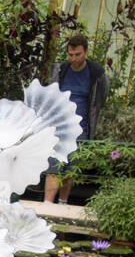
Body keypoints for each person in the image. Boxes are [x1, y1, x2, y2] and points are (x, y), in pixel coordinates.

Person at [44, 33, 110, 203]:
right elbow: (51, 95)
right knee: (53, 167)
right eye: (70, 54)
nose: (73, 58)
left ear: (86, 52)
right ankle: (47, 206)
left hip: (80, 128)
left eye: (77, 54)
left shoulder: (96, 73)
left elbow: (101, 98)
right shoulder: (61, 70)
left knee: (70, 169)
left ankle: (63, 203)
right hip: (59, 126)